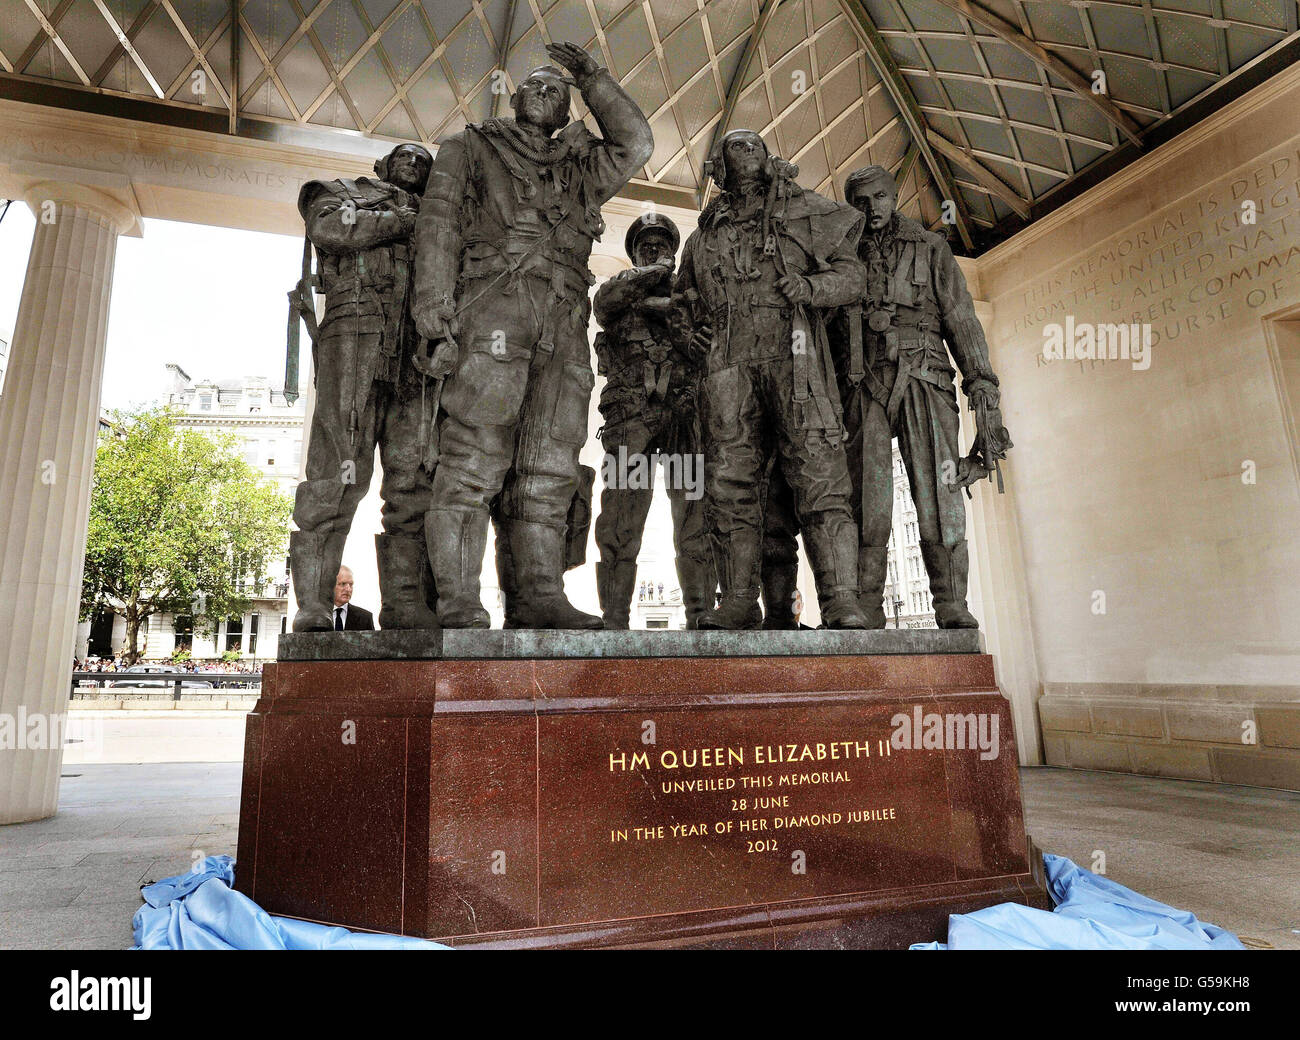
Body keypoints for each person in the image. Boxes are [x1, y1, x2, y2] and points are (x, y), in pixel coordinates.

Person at [413, 42, 654, 630]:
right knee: (475, 455)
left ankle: (538, 595)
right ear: (514, 97)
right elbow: (438, 223)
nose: (546, 93)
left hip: (563, 315)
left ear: (570, 109)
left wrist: (594, 78)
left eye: (558, 90)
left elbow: (637, 145)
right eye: (535, 86)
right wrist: (432, 308)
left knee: (550, 462)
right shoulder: (470, 147)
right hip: (493, 307)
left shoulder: (582, 164)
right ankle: (459, 602)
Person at [673, 129, 869, 630]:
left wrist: (809, 286)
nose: (746, 152)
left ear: (768, 158)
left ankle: (841, 599)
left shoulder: (807, 212)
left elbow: (853, 278)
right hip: (727, 366)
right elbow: (682, 302)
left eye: (754, 145)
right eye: (735, 146)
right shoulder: (702, 237)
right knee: (728, 481)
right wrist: (687, 333)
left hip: (794, 353)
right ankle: (739, 599)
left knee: (818, 469)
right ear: (717, 163)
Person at [830, 165, 1012, 628]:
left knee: (940, 488)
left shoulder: (932, 248)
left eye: (880, 197)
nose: (872, 209)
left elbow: (961, 318)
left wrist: (981, 382)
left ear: (895, 197)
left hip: (924, 375)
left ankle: (951, 601)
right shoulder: (838, 255)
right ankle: (865, 605)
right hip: (861, 382)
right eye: (861, 201)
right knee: (865, 500)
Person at [289, 142, 438, 632]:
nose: (413, 165)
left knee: (413, 480)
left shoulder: (438, 217)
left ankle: (406, 604)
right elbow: (329, 227)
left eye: (423, 162)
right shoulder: (338, 191)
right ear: (380, 165)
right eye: (404, 156)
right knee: (337, 474)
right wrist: (402, 221)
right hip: (354, 337)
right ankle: (313, 603)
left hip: (415, 352)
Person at [592, 213, 714, 629]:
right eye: (646, 244)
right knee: (621, 516)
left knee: (694, 515)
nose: (655, 249)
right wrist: (651, 282)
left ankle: (701, 614)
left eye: (662, 244)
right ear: (634, 253)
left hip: (683, 415)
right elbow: (605, 305)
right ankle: (614, 616)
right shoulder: (617, 289)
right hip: (631, 418)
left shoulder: (695, 296)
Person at [330, 566, 375, 632]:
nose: (348, 589)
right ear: (331, 585)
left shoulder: (365, 618)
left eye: (351, 584)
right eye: (343, 584)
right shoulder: (318, 617)